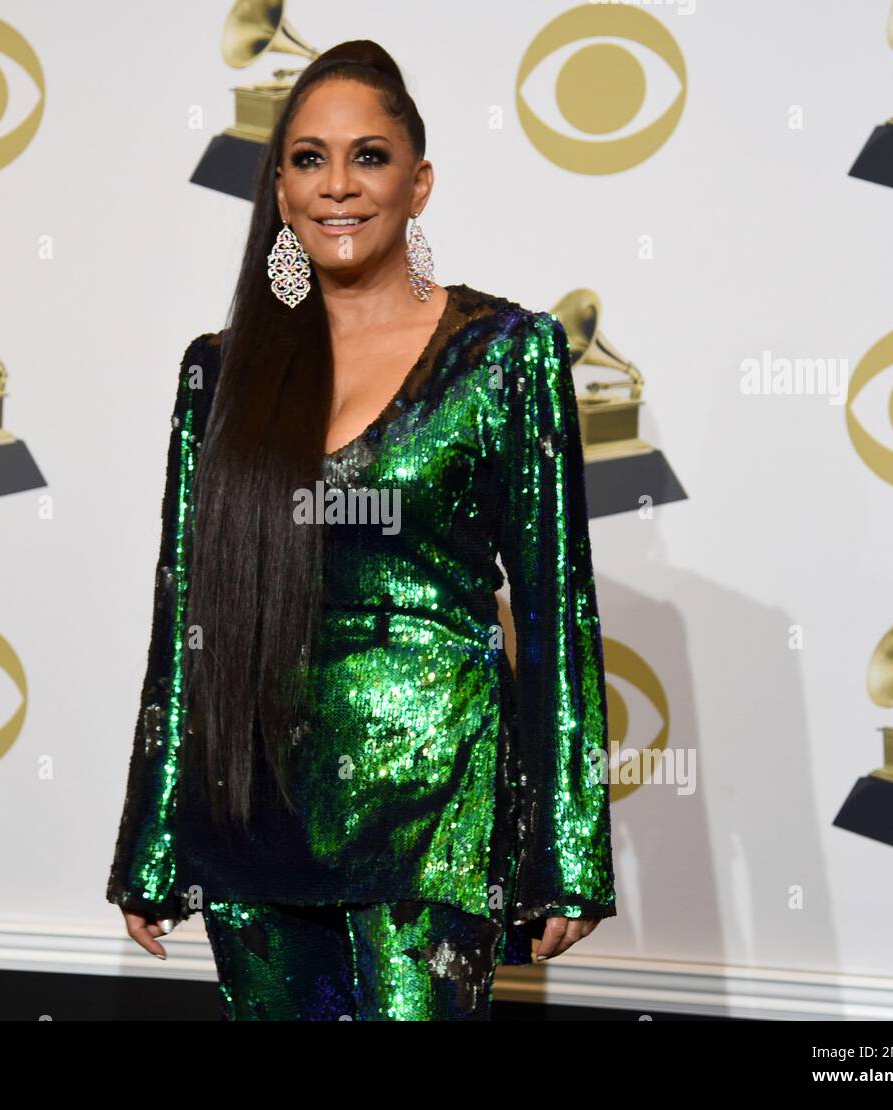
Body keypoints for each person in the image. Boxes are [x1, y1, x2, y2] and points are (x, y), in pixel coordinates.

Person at [107, 39, 616, 1021]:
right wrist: (154, 833)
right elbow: (188, 619)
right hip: (250, 821)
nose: (337, 184)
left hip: (432, 826)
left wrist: (569, 845)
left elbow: (558, 609)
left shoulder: (506, 358)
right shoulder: (218, 372)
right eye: (307, 158)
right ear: (281, 189)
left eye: (368, 156)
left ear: (418, 184)